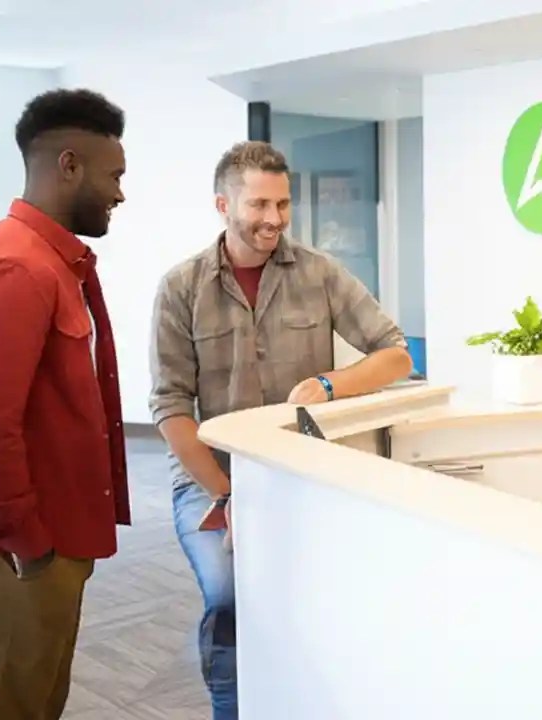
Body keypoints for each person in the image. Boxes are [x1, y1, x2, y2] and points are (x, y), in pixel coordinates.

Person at [148, 140, 412, 719]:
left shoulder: (319, 273)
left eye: (283, 204)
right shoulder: (181, 287)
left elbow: (396, 355)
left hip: (299, 473)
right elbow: (170, 408)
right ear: (223, 204)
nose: (273, 219)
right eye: (259, 205)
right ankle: (231, 702)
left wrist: (331, 383)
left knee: (322, 594)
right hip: (211, 476)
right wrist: (229, 496)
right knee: (231, 592)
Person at [0, 88, 130, 719]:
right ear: (69, 165)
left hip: (42, 548)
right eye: (114, 175)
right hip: (9, 558)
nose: (121, 193)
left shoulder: (50, 260)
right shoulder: (16, 266)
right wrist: (27, 544)